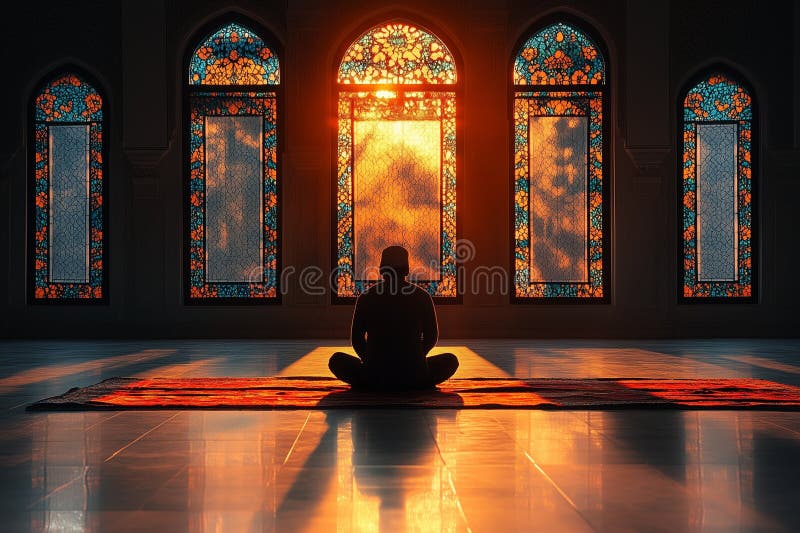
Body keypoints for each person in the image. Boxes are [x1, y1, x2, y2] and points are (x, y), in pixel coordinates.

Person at [329, 246, 459, 390]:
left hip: (375, 375)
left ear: (382, 269)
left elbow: (357, 340)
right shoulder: (422, 297)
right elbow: (432, 336)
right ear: (407, 269)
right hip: (414, 374)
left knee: (337, 360)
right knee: (450, 360)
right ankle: (416, 381)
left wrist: (371, 362)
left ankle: (372, 381)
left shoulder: (366, 298)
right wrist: (416, 358)